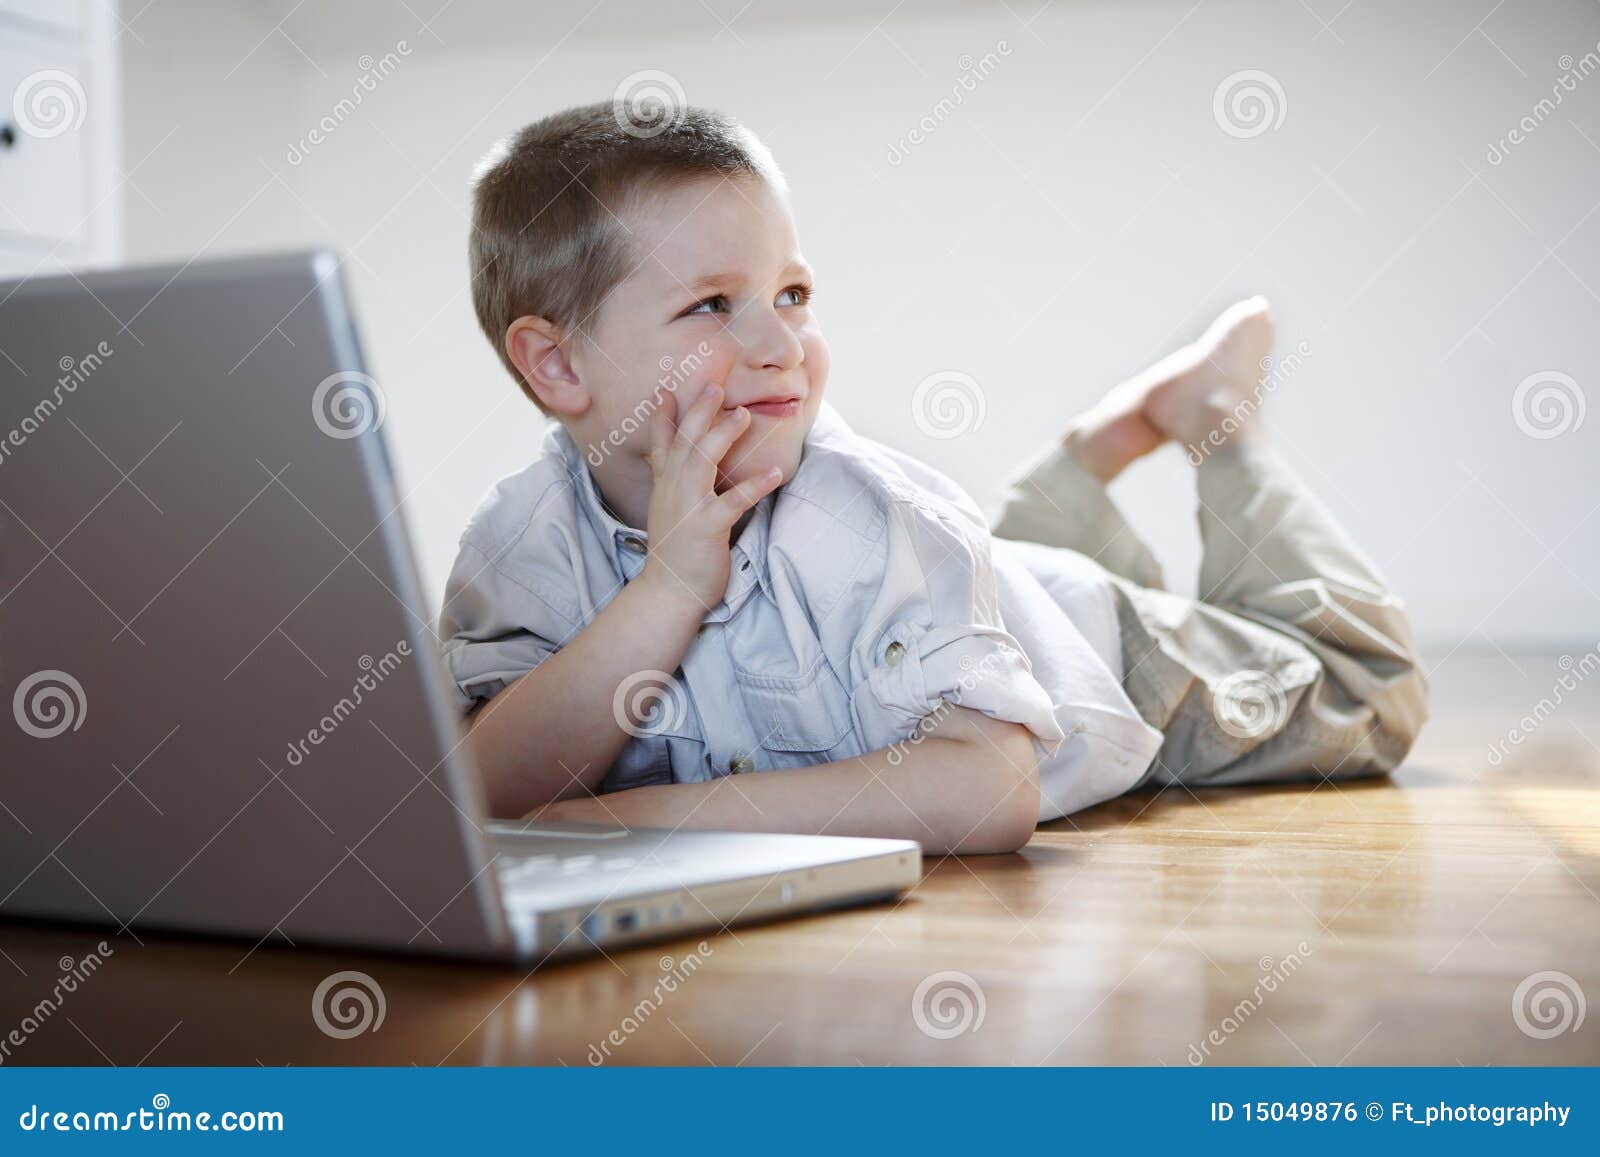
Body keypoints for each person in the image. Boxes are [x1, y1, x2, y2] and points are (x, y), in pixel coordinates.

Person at [439, 101, 1427, 854]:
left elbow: (989, 787)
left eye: (791, 291)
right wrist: (667, 588)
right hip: (981, 586)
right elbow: (480, 791)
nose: (782, 340)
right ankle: (1081, 467)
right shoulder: (516, 548)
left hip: (1113, 661)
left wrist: (652, 819)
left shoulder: (859, 508)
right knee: (991, 561)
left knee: (1365, 692)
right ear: (557, 365)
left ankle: (1212, 421)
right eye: (710, 304)